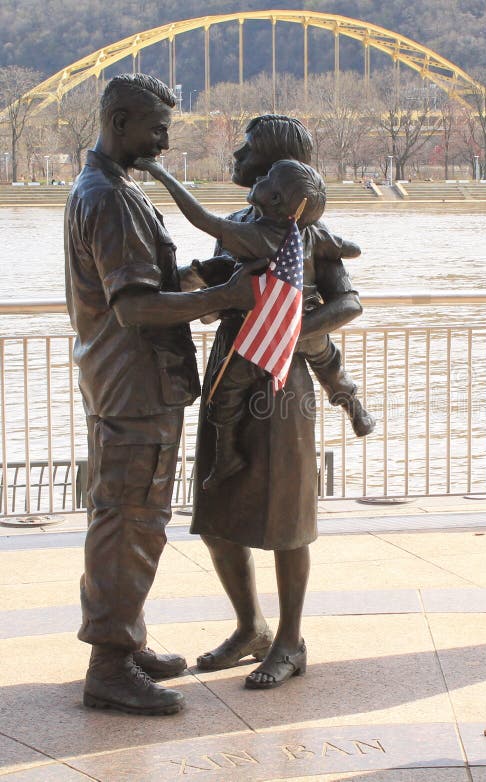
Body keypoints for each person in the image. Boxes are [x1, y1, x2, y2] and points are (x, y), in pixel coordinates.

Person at [65, 73, 259, 715]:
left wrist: (197, 276)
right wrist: (223, 296)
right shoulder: (112, 199)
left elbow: (143, 285)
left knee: (124, 517)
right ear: (120, 123)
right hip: (136, 387)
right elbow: (135, 308)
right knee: (131, 521)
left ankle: (124, 639)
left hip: (123, 383)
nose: (165, 143)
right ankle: (110, 664)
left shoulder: (105, 188)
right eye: (157, 129)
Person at [189, 115, 366, 688]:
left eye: (246, 148)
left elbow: (348, 302)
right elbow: (222, 291)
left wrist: (288, 329)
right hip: (229, 365)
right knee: (216, 512)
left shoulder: (308, 231)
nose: (236, 155)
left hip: (282, 381)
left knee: (288, 519)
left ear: (276, 169)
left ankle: (291, 641)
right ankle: (250, 628)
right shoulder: (237, 225)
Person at [133, 155, 360, 489]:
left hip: (267, 333)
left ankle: (227, 455)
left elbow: (201, 218)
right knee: (328, 360)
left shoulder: (256, 236)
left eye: (267, 176)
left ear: (276, 199)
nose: (257, 177)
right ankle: (353, 405)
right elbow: (347, 247)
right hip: (301, 320)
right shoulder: (310, 234)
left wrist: (161, 174)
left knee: (224, 392)